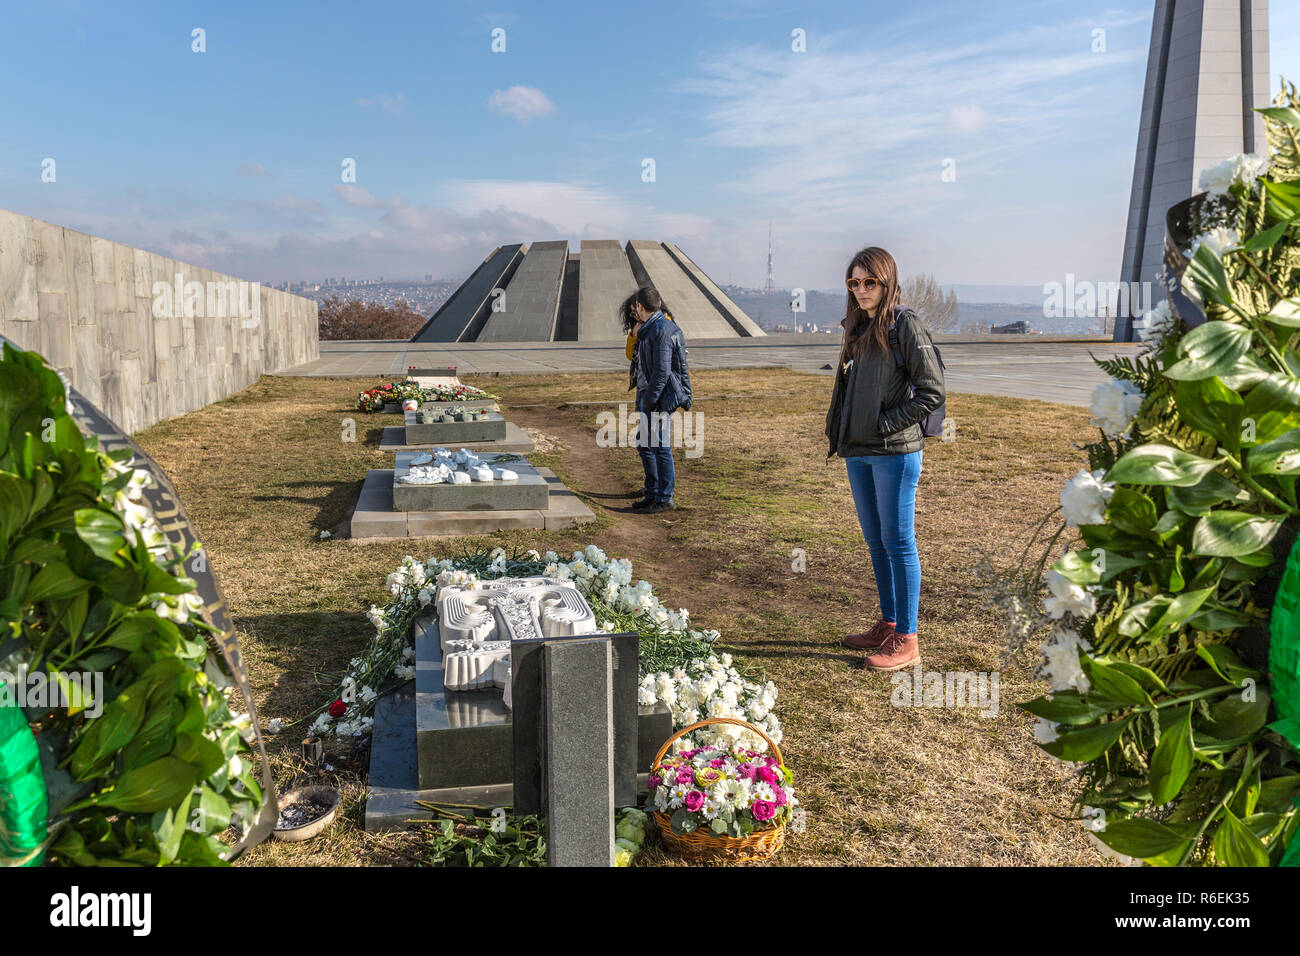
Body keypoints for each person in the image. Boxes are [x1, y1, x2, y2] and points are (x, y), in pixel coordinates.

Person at [824, 247, 944, 671]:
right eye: (853, 283)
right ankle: (889, 622)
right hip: (858, 451)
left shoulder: (904, 324)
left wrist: (886, 424)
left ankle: (907, 639)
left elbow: (932, 391)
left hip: (894, 453)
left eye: (868, 282)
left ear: (887, 282)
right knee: (877, 543)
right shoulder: (857, 326)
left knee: (898, 543)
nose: (860, 290)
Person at [630, 286, 690, 514]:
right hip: (650, 395)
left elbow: (662, 372)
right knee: (645, 443)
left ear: (641, 307)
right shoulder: (651, 328)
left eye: (636, 306)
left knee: (660, 446)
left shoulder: (661, 330)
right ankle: (653, 492)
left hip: (659, 398)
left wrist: (650, 401)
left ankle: (665, 498)